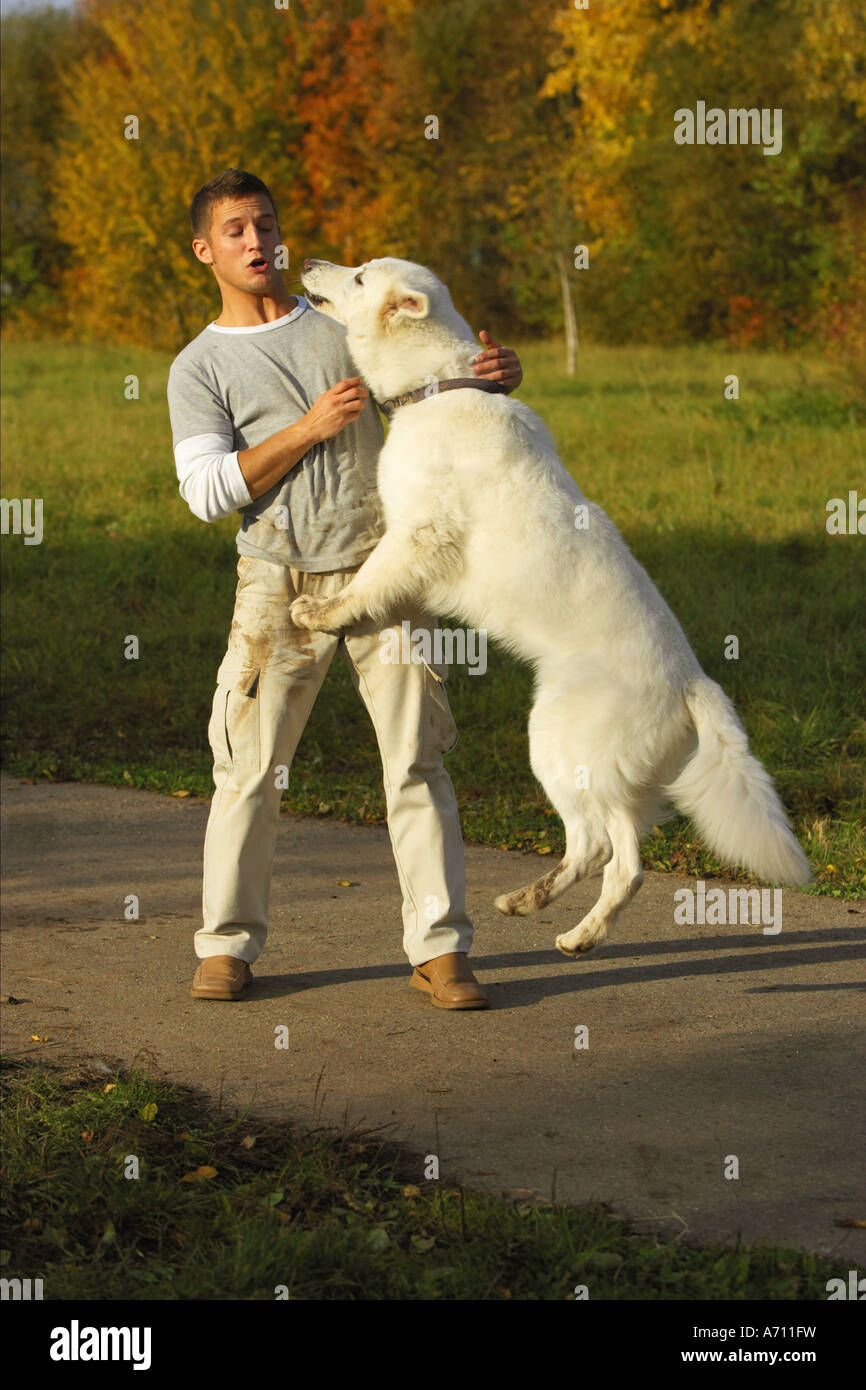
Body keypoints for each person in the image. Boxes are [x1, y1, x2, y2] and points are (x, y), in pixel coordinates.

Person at [166, 168, 523, 1009]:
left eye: (265, 223)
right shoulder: (199, 367)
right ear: (205, 250)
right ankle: (227, 947)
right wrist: (308, 429)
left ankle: (441, 950)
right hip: (276, 580)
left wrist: (489, 378)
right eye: (235, 230)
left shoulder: (343, 321)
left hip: (387, 567)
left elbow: (432, 394)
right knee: (249, 769)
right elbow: (206, 492)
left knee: (417, 760)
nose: (256, 241)